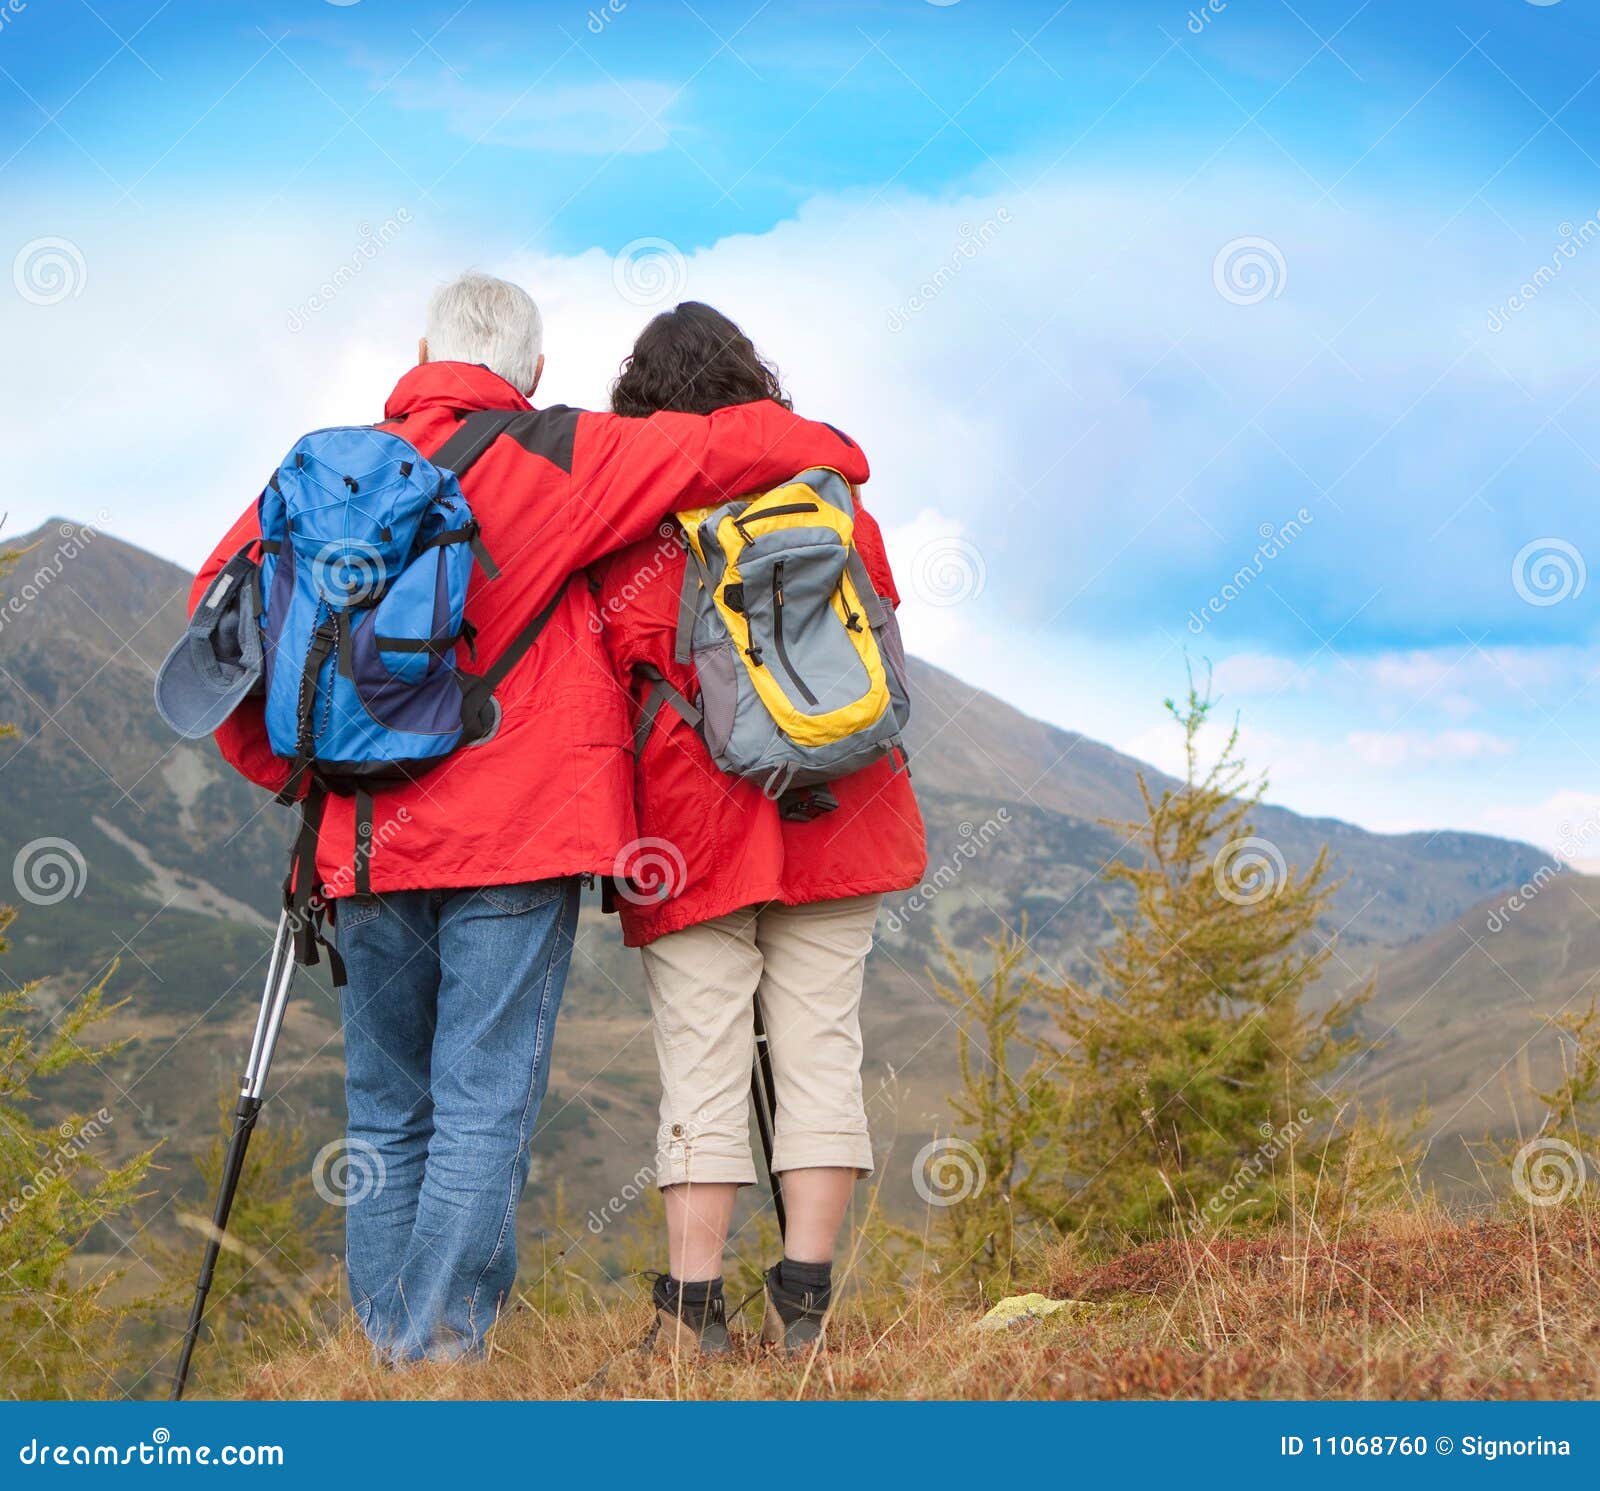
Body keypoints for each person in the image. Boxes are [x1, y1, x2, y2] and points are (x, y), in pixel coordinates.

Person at [190, 274, 871, 1363]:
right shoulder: (565, 451)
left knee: (386, 1113)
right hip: (514, 840)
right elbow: (717, 451)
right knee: (479, 1105)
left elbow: (220, 631)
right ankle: (442, 1355)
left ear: (419, 349)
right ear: (535, 371)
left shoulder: (321, 471)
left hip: (360, 844)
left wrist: (300, 775)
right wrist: (830, 441)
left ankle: (391, 1362)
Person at [592, 302, 927, 1356]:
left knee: (703, 1059)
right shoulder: (834, 498)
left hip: (690, 824)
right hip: (842, 804)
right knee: (823, 1051)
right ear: (756, 382)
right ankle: (806, 1308)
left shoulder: (637, 519)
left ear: (642, 404)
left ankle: (693, 1320)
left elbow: (615, 668)